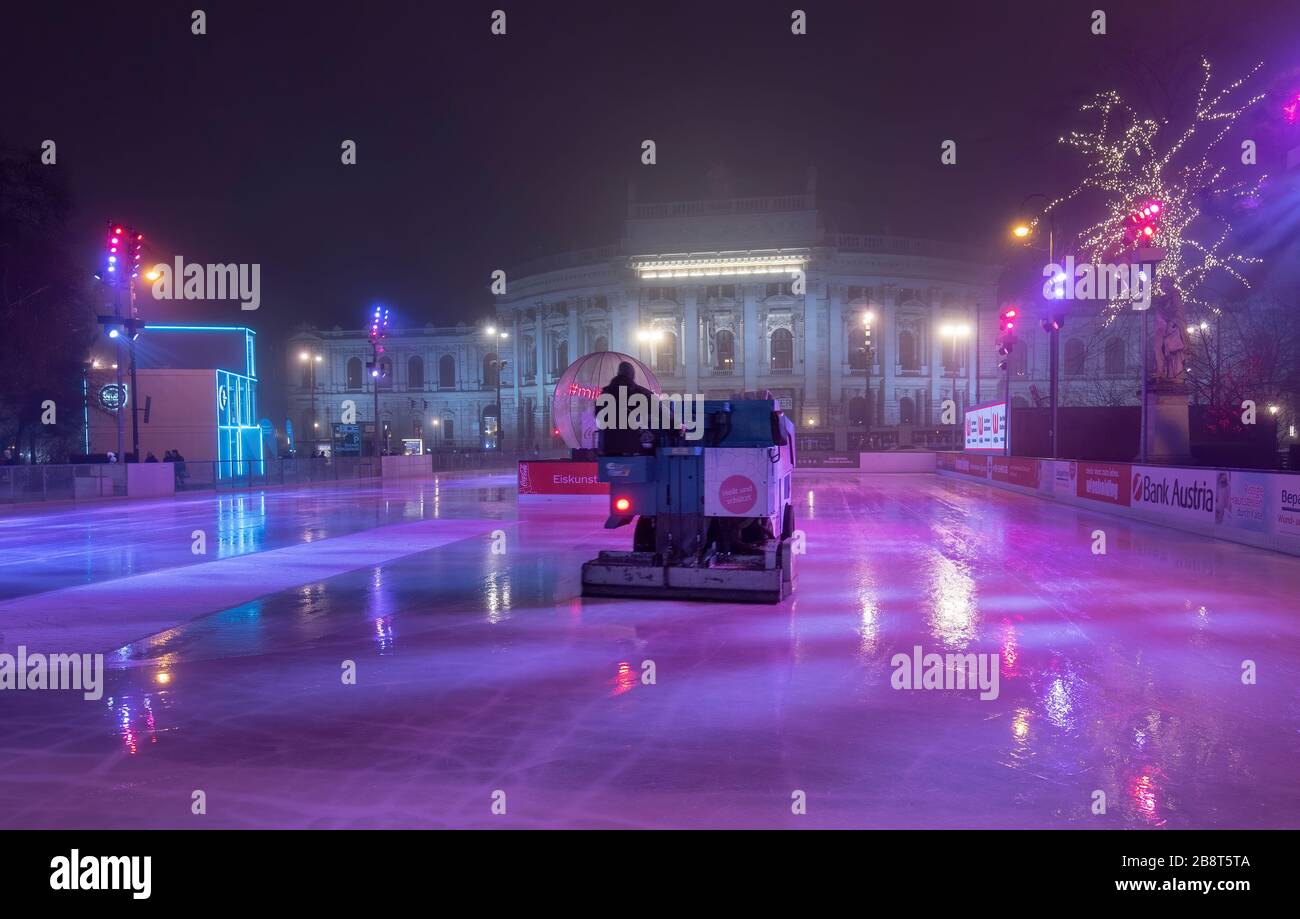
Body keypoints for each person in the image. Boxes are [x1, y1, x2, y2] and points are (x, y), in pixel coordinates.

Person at [599, 361, 656, 455]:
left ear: (618, 373)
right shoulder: (641, 392)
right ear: (632, 375)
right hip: (633, 448)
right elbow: (660, 411)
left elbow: (598, 416)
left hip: (609, 449)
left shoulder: (605, 393)